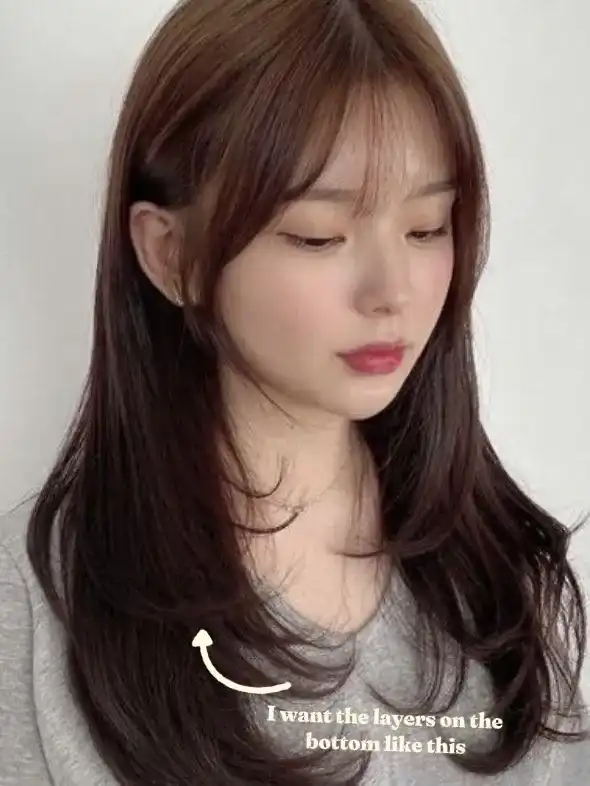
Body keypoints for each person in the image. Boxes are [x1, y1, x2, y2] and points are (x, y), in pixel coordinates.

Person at [0, 0, 588, 783]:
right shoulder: (35, 608)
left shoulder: (505, 577)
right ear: (172, 255)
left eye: (426, 227)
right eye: (318, 236)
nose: (393, 291)